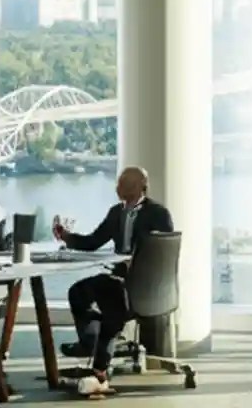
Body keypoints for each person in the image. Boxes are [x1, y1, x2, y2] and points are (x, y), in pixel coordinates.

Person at [51, 167, 174, 396]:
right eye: (118, 183)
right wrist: (66, 236)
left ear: (141, 186)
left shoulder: (158, 213)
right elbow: (93, 241)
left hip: (144, 284)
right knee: (78, 292)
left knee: (112, 301)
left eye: (125, 184)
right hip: (117, 277)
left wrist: (135, 261)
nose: (119, 188)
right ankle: (90, 342)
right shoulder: (116, 212)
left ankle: (99, 367)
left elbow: (161, 254)